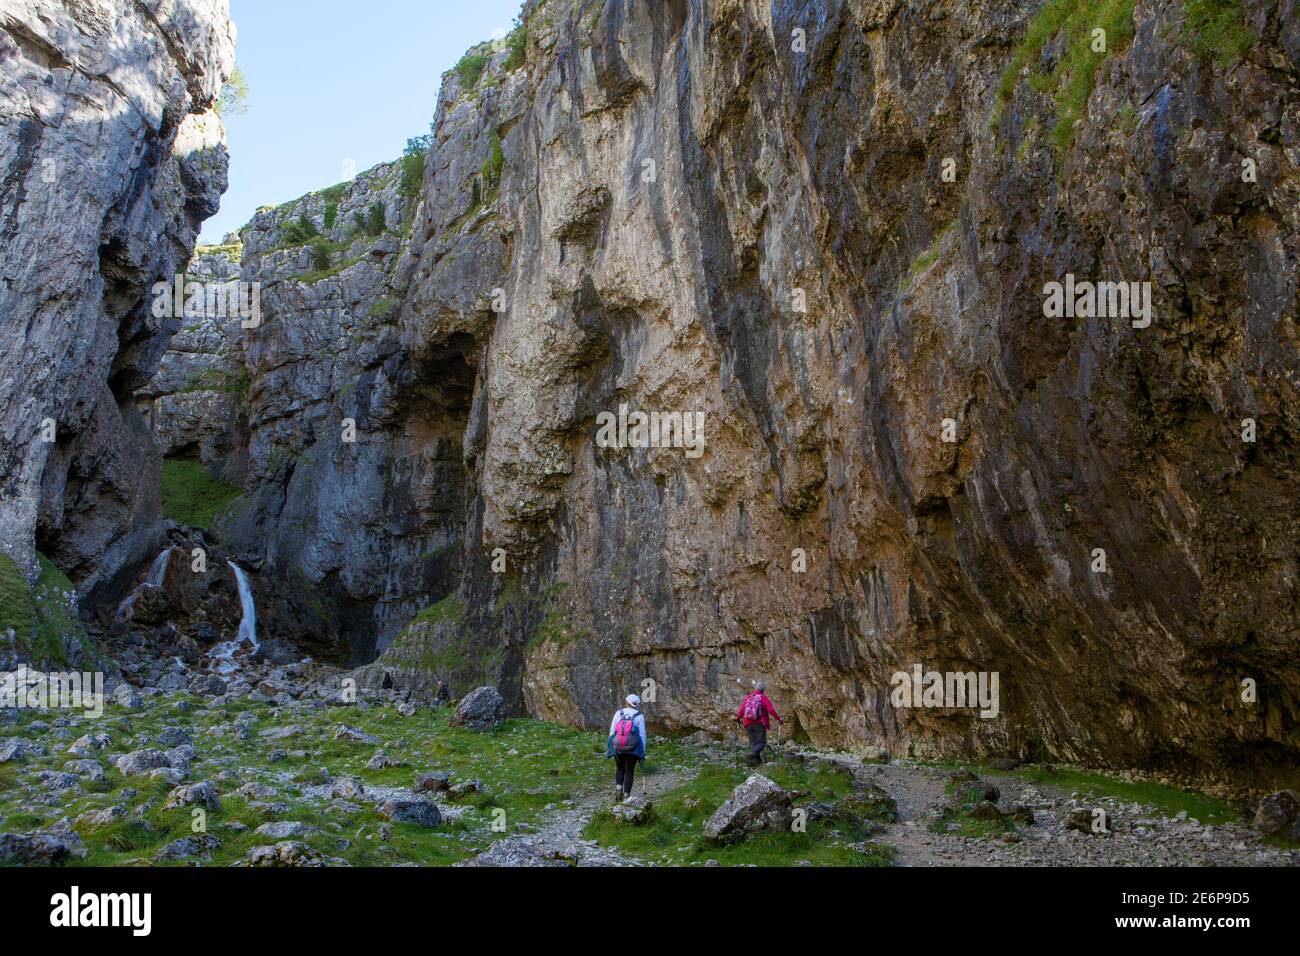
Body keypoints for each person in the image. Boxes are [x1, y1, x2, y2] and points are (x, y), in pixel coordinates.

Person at [606, 693, 647, 802]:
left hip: (618, 746)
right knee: (629, 771)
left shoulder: (619, 713)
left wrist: (612, 747)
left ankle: (618, 789)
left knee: (620, 768)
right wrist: (643, 751)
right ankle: (627, 795)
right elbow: (642, 735)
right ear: (636, 704)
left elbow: (612, 732)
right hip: (633, 748)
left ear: (627, 702)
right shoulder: (639, 716)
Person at [736, 681, 782, 767]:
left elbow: (742, 710)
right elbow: (770, 710)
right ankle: (752, 755)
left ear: (755, 689)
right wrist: (778, 718)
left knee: (753, 743)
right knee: (762, 743)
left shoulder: (748, 698)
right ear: (763, 690)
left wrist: (738, 718)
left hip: (747, 723)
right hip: (759, 723)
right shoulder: (763, 698)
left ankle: (754, 765)